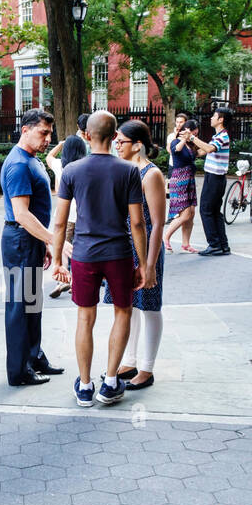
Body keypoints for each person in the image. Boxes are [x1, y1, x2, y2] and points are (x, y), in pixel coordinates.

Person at [50, 111, 148, 408]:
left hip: (83, 253)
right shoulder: (129, 171)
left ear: (87, 135)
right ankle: (109, 381)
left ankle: (85, 384)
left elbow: (60, 221)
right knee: (122, 313)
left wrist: (57, 259)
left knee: (85, 317)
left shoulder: (72, 171)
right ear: (115, 135)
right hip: (117, 252)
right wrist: (142, 263)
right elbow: (137, 223)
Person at [1, 108, 65, 386]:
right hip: (20, 239)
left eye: (50, 133)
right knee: (20, 305)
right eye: (43, 132)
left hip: (30, 239)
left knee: (31, 302)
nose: (48, 138)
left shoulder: (32, 159)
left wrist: (44, 243)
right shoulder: (18, 164)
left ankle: (34, 356)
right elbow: (22, 214)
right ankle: (19, 371)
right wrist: (53, 239)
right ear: (25, 130)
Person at [111, 120, 167, 389]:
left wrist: (151, 263)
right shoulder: (125, 170)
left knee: (150, 306)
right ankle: (130, 360)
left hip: (146, 249)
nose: (116, 146)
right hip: (124, 247)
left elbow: (157, 222)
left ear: (138, 145)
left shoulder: (151, 174)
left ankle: (147, 368)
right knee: (127, 305)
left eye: (121, 141)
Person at [47, 115, 88, 299]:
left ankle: (63, 278)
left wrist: (61, 144)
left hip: (64, 214)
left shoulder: (59, 165)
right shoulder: (86, 166)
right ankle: (78, 281)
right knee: (79, 248)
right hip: (82, 214)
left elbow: (48, 156)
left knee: (62, 245)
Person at [196, 108, 233, 257]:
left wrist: (192, 139)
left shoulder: (222, 136)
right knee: (215, 212)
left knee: (205, 210)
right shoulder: (217, 136)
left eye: (214, 116)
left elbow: (209, 149)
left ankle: (214, 244)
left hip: (215, 178)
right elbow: (201, 152)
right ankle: (223, 245)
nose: (211, 118)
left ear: (221, 119)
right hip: (215, 178)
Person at [163, 116, 202, 253]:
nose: (194, 136)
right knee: (184, 214)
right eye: (193, 133)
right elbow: (175, 151)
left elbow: (200, 152)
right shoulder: (176, 141)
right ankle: (166, 237)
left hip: (189, 180)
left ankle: (186, 243)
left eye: (196, 134)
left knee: (191, 213)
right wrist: (185, 138)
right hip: (179, 181)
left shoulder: (191, 145)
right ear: (187, 131)